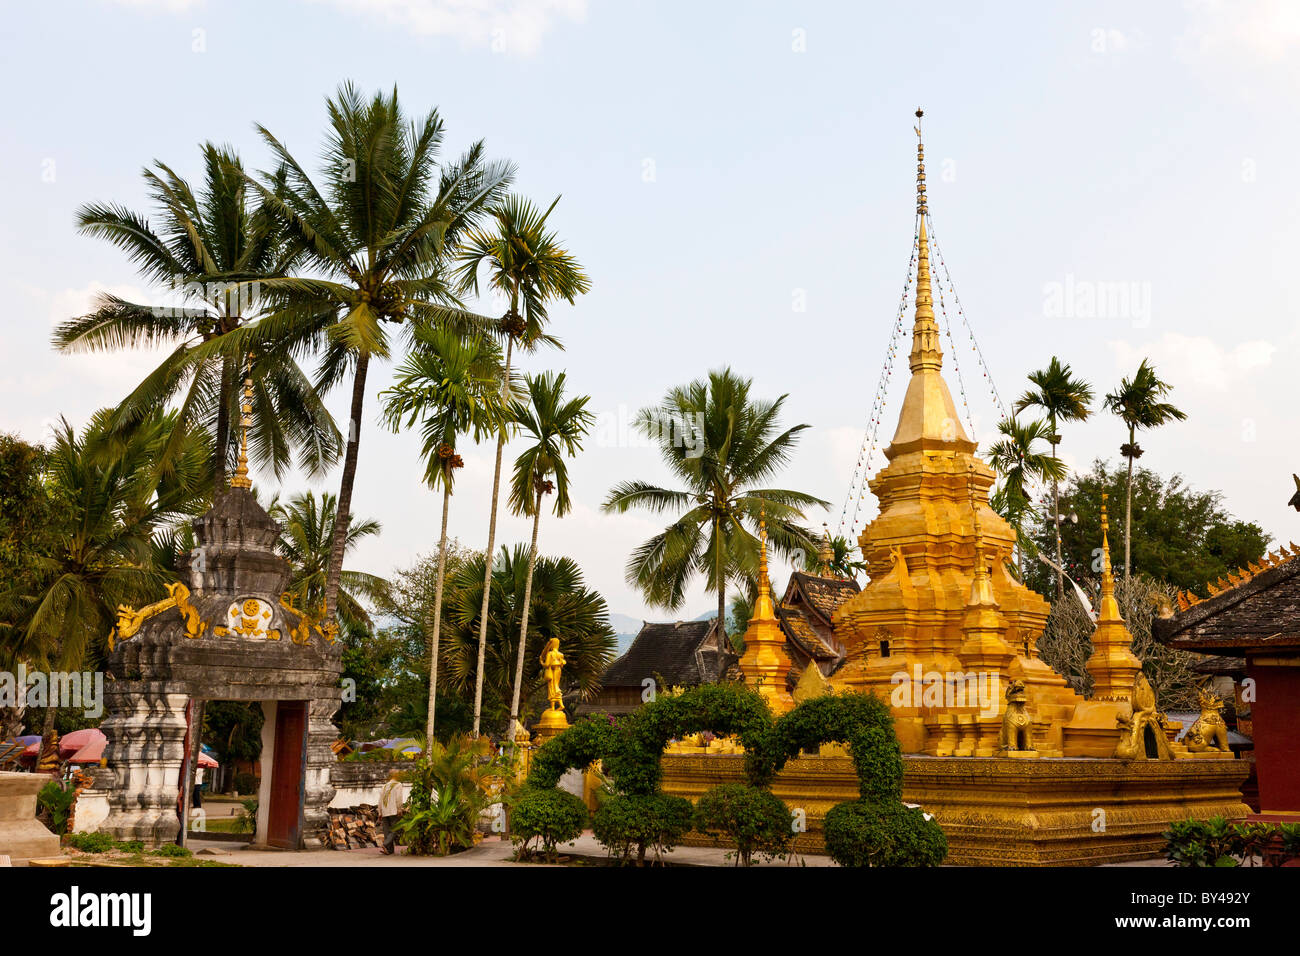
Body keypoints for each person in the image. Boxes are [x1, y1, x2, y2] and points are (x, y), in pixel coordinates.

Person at [379, 770, 404, 855]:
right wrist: (399, 809)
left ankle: (389, 850)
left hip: (385, 810)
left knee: (387, 831)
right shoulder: (398, 785)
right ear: (396, 775)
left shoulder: (384, 786)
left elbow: (380, 800)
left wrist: (380, 811)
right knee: (395, 829)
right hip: (393, 810)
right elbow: (399, 798)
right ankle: (385, 844)